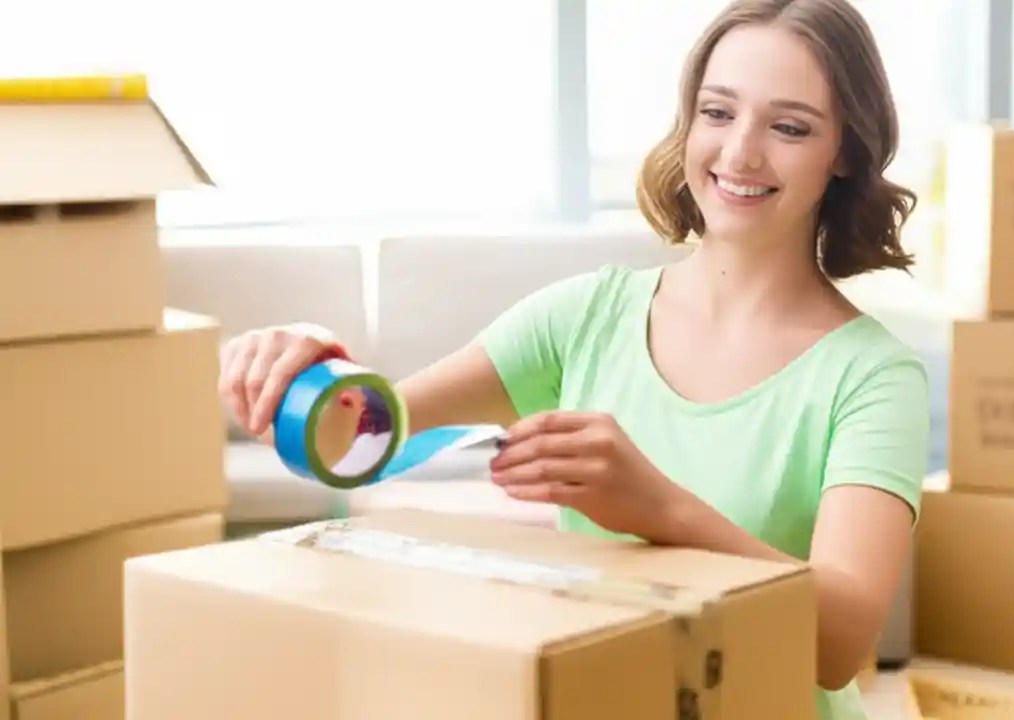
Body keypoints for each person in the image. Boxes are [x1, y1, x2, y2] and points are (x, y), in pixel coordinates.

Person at [217, 1, 928, 717]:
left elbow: (839, 642)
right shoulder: (584, 318)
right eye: (717, 113)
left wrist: (659, 509)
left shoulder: (872, 376)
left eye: (788, 127)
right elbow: (360, 436)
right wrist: (305, 365)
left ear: (842, 152)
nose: (740, 152)